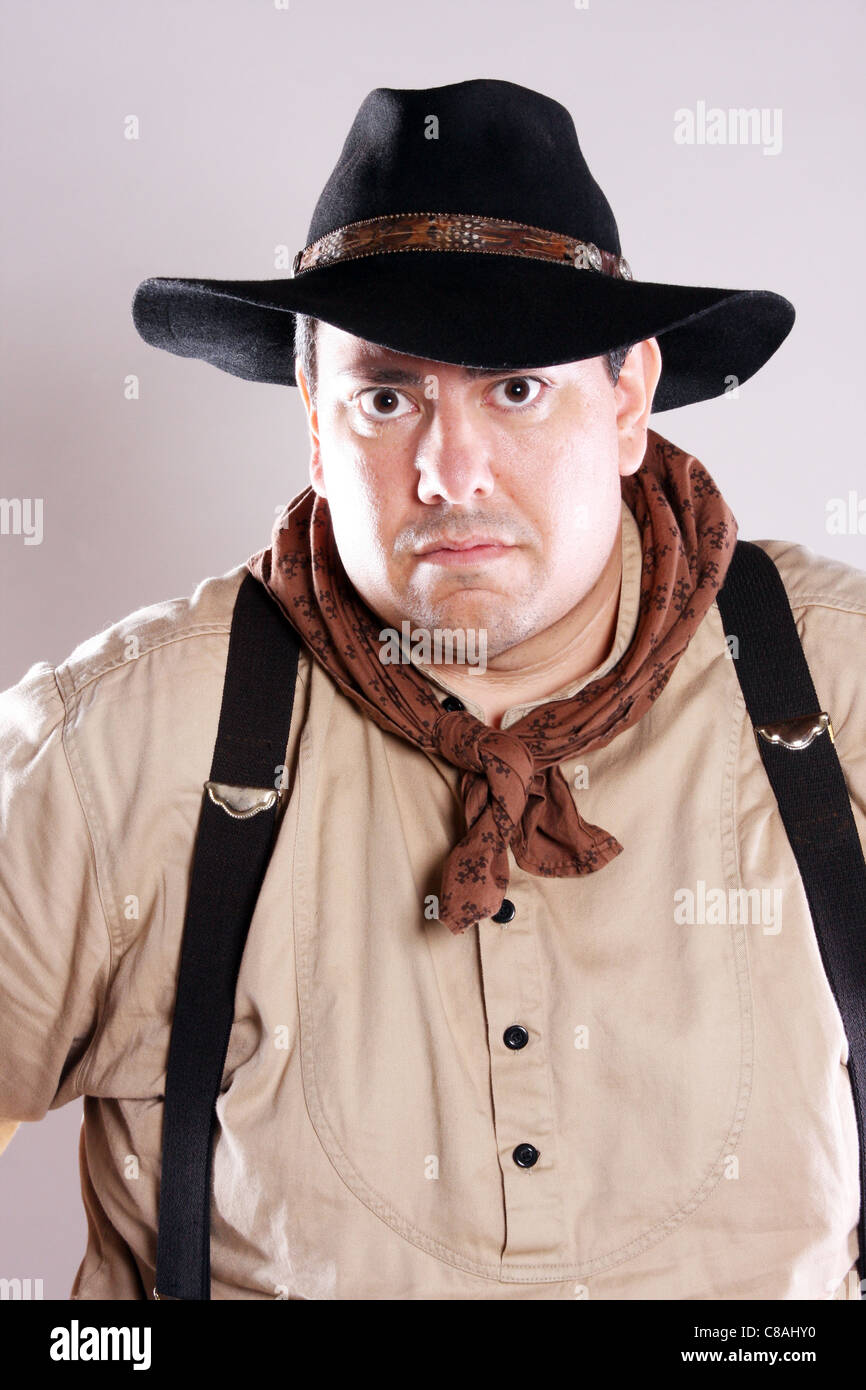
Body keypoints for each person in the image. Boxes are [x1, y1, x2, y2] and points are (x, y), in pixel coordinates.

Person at [1, 77, 864, 1301]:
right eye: (386, 396)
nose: (447, 472)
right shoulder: (116, 747)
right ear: (313, 420)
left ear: (625, 401)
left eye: (514, 388)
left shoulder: (836, 687)